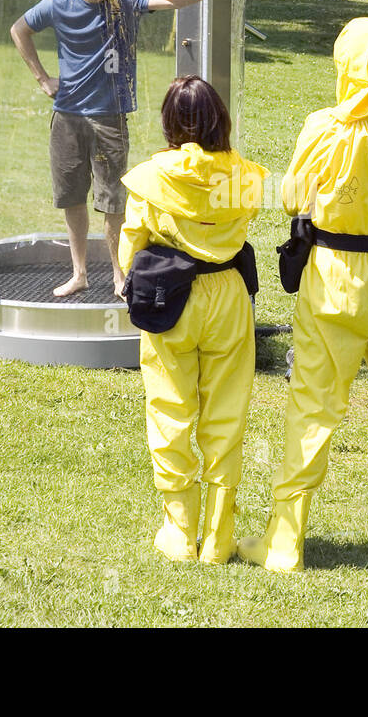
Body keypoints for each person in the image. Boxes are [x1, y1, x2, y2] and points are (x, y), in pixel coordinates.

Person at [238, 17, 368, 573]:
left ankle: (285, 542)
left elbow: (290, 198)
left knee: (312, 407)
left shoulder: (325, 127)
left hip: (333, 283)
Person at [118, 75, 267, 564]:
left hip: (169, 298)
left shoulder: (154, 176)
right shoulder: (244, 174)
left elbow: (132, 240)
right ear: (219, 119)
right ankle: (219, 538)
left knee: (170, 409)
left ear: (168, 121)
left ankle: (180, 533)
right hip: (228, 293)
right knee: (226, 413)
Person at [10, 0, 204, 299]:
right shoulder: (58, 4)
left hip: (110, 119)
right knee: (71, 197)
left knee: (113, 201)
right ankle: (79, 274)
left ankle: (119, 275)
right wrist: (42, 78)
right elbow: (19, 30)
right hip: (67, 117)